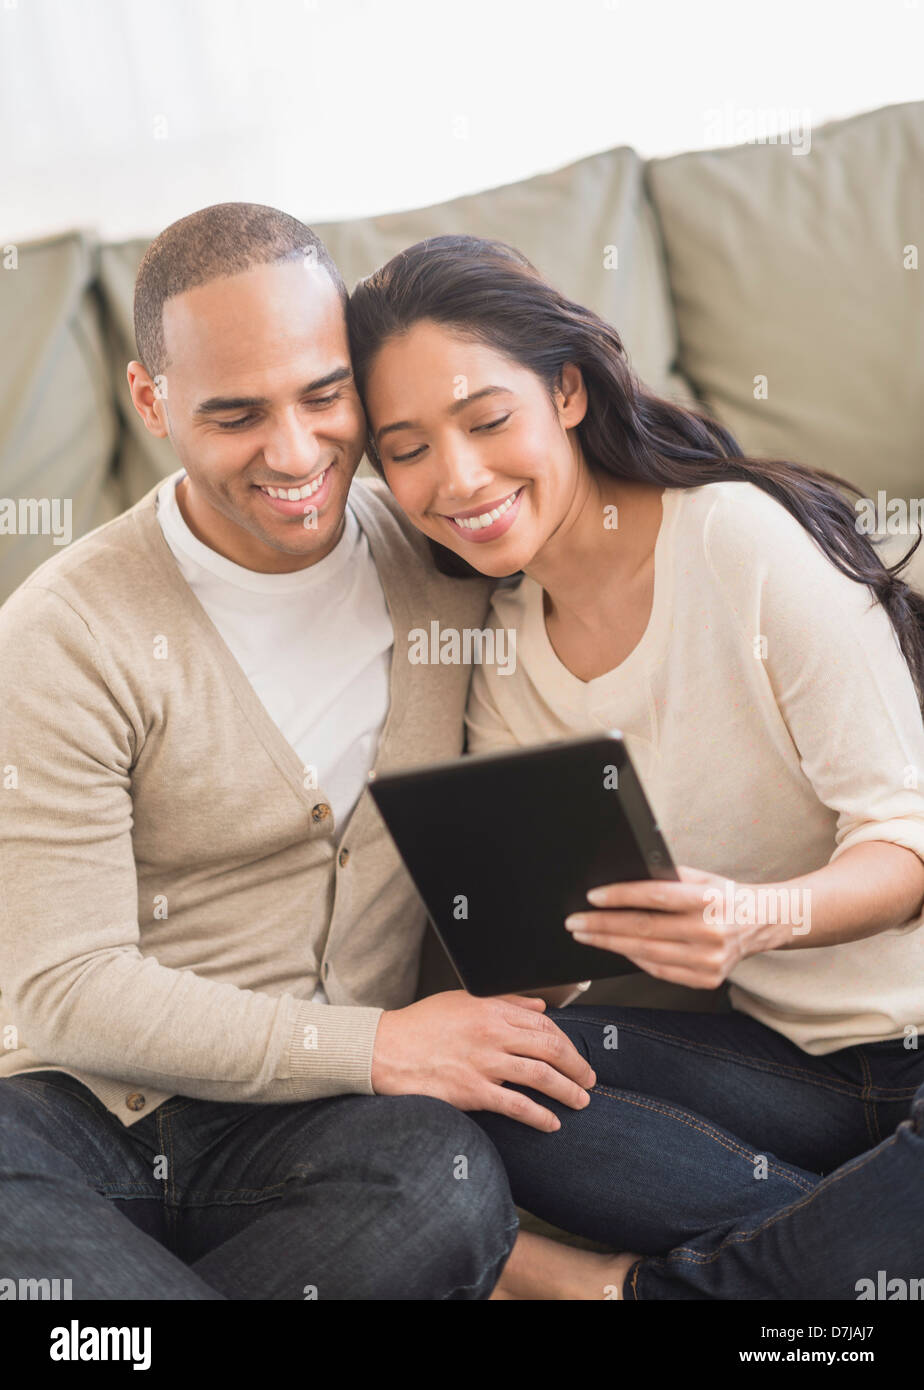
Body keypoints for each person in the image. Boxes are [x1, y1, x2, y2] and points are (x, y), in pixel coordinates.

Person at [0, 205, 598, 1301]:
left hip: (305, 1138)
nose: (294, 452)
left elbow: (618, 544)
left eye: (325, 396)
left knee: (446, 1186)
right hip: (68, 1114)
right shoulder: (63, 633)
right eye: (236, 414)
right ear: (151, 400)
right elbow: (67, 990)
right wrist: (378, 1047)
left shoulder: (443, 550)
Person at [346, 233, 924, 1299]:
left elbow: (907, 844)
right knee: (484, 1093)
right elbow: (545, 952)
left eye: (487, 421)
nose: (458, 478)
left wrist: (757, 916)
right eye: (408, 449)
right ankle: (855, 1249)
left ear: (567, 393)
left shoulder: (738, 542)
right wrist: (467, 1011)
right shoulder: (504, 654)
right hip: (797, 1074)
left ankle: (620, 1291)